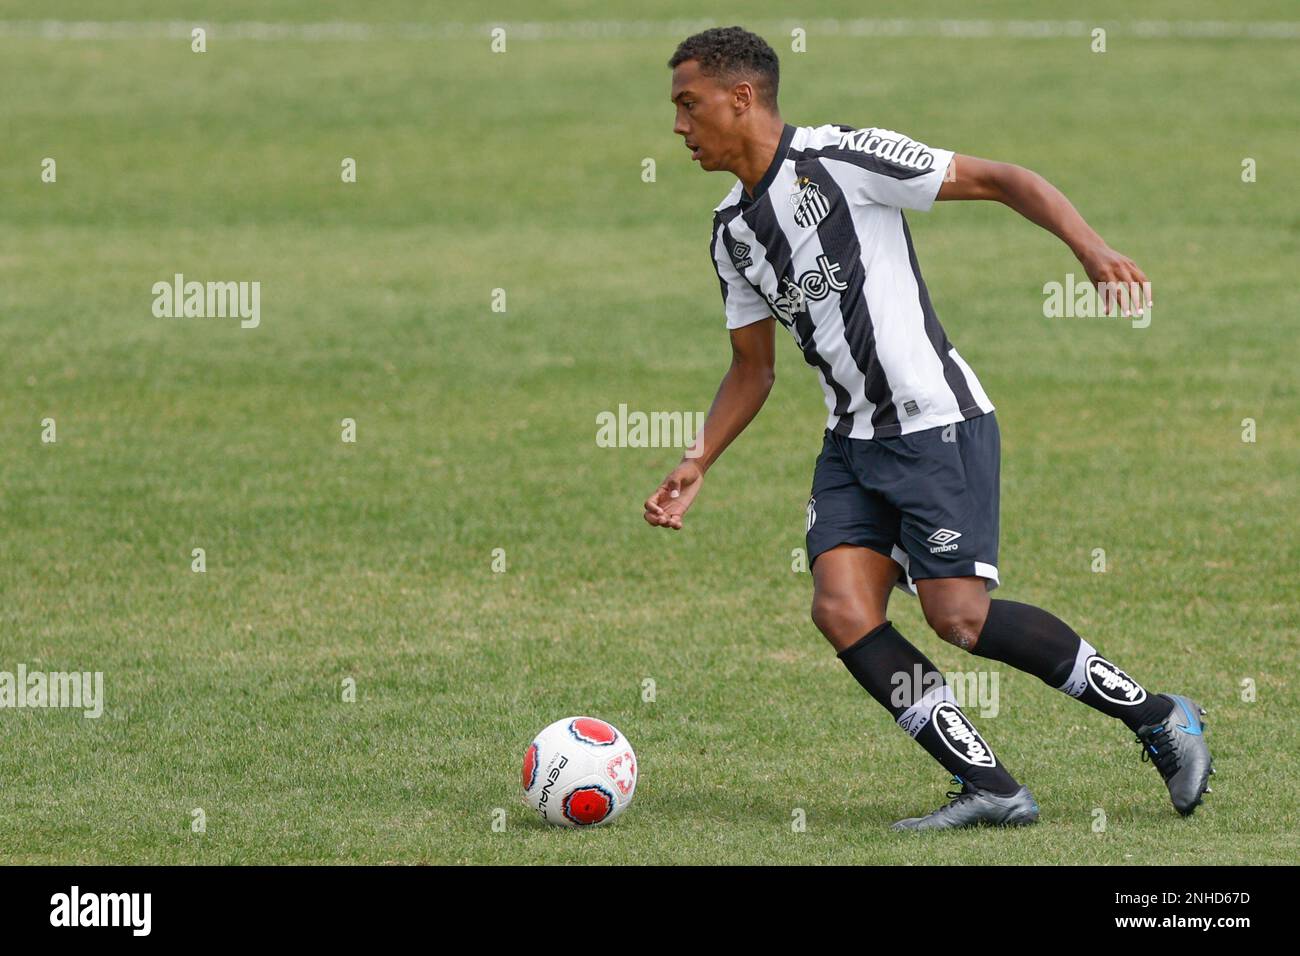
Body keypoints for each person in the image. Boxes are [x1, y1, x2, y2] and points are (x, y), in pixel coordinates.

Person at [644, 26, 1213, 830]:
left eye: (688, 104)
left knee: (960, 618)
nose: (678, 126)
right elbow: (752, 368)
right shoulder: (731, 232)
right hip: (851, 442)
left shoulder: (841, 158)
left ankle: (1159, 717)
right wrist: (697, 459)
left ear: (742, 97)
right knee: (842, 608)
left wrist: (1090, 249)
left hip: (936, 425)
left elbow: (1002, 177)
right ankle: (991, 787)